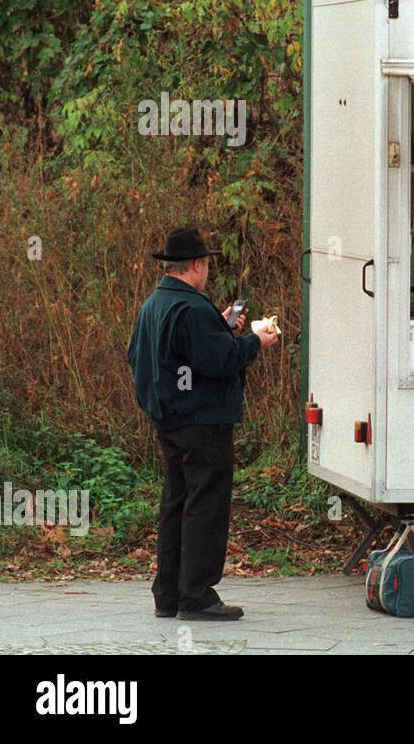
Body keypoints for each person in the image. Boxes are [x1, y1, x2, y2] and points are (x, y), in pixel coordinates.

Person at [127, 227, 278, 621]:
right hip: (204, 421)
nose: (207, 271)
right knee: (205, 506)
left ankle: (169, 594)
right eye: (207, 264)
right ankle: (197, 595)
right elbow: (220, 360)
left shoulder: (154, 304)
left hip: (169, 421)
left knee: (176, 504)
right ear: (196, 265)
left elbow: (158, 355)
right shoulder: (192, 308)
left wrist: (223, 325)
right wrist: (256, 340)